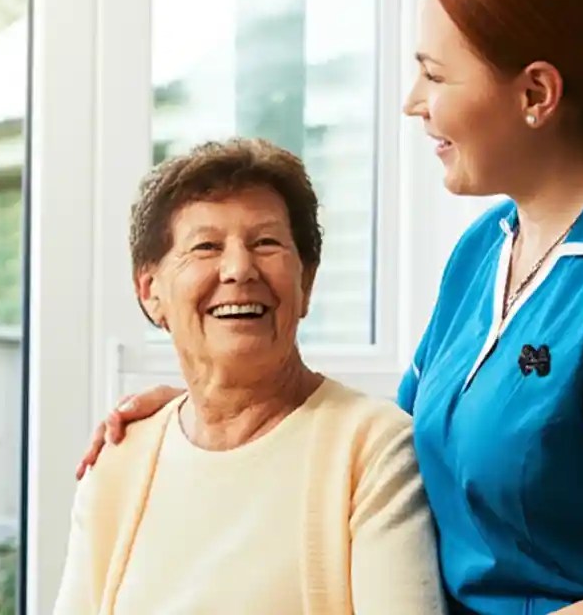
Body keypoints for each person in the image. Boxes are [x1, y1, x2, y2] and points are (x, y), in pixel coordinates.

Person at [75, 0, 583, 615]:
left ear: (536, 94)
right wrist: (221, 407)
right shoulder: (487, 249)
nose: (413, 103)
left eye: (434, 75)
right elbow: (402, 447)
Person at [54, 138, 446, 614]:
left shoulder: (372, 447)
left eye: (266, 243)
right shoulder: (120, 460)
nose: (239, 269)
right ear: (150, 291)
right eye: (206, 247)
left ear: (306, 281)